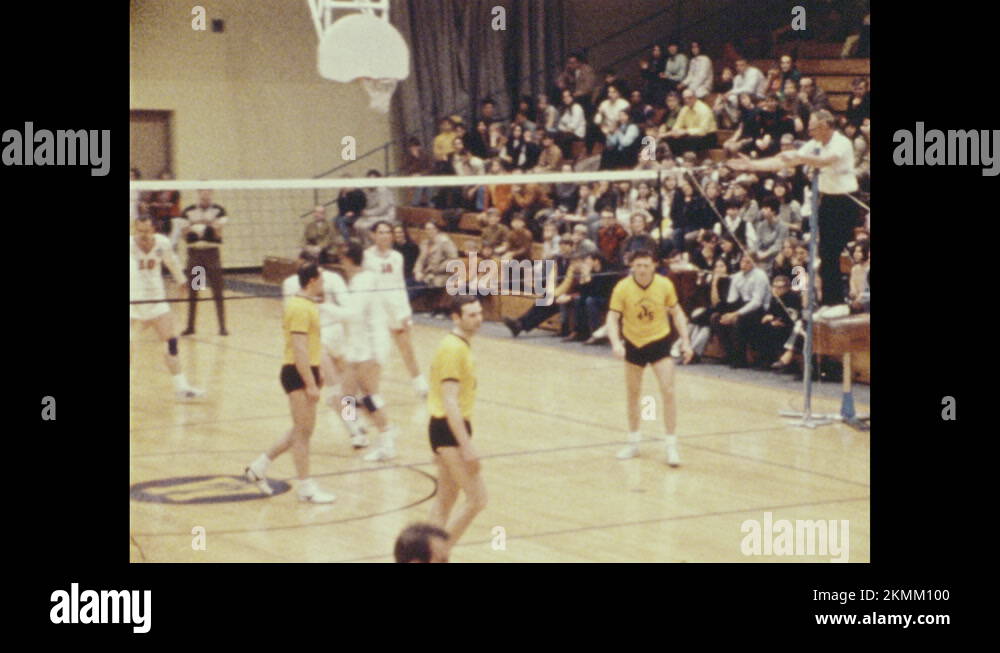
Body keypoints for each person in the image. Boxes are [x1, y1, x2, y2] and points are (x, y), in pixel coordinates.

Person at [728, 109, 859, 306]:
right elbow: (781, 160)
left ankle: (838, 302)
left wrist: (797, 157)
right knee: (825, 252)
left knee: (832, 251)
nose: (809, 133)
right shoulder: (814, 144)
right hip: (827, 200)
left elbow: (823, 161)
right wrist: (752, 165)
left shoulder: (841, 143)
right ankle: (831, 302)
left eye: (812, 129)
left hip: (844, 202)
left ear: (825, 126)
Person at [244, 262, 337, 503]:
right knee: (303, 434)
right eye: (322, 279)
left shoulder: (308, 305)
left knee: (302, 430)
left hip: (308, 370)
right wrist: (310, 382)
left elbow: (312, 346)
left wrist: (319, 372)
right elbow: (299, 349)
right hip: (297, 373)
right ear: (313, 281)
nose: (324, 284)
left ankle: (258, 467)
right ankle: (305, 487)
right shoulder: (298, 307)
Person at [606, 249, 693, 466]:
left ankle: (671, 445)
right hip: (634, 343)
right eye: (638, 265)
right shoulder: (623, 287)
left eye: (646, 265)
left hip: (659, 341)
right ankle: (634, 442)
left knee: (668, 391)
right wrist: (616, 343)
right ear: (632, 267)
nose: (642, 269)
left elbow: (677, 312)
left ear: (653, 265)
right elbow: (613, 317)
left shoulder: (664, 285)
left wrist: (685, 340)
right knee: (634, 394)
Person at [282, 250, 367, 448]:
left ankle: (354, 421)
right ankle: (353, 430)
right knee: (335, 387)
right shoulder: (290, 284)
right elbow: (290, 318)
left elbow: (350, 311)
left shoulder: (332, 279)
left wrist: (327, 308)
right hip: (317, 339)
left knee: (346, 390)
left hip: (337, 334)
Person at [427, 295, 488, 554]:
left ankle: (423, 553)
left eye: (479, 313)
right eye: (471, 315)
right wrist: (467, 447)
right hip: (449, 430)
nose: (478, 319)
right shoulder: (453, 348)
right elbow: (449, 400)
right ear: (456, 317)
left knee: (445, 500)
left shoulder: (459, 345)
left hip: (445, 429)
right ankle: (436, 555)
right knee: (477, 500)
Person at [337, 241, 401, 462]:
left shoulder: (364, 280)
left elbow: (353, 312)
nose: (340, 262)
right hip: (357, 345)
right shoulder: (359, 280)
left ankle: (387, 438)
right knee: (344, 395)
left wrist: (323, 308)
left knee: (370, 395)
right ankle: (356, 431)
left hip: (371, 346)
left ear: (347, 259)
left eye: (341, 257)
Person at [130, 216, 205, 400]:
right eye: (140, 231)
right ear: (134, 229)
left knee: (171, 342)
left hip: (157, 300)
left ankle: (182, 387)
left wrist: (182, 282)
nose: (144, 235)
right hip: (133, 301)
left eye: (147, 230)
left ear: (153, 229)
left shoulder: (162, 243)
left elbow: (172, 263)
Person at [363, 222, 430, 399]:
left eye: (388, 232)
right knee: (372, 354)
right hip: (375, 311)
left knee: (406, 347)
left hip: (394, 308)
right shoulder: (366, 257)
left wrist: (405, 311)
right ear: (373, 235)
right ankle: (366, 394)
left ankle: (420, 384)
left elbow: (400, 285)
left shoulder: (397, 257)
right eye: (381, 232)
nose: (385, 236)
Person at [179, 189, 229, 336]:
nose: (205, 194)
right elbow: (185, 233)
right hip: (196, 256)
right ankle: (191, 326)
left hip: (212, 255)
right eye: (203, 192)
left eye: (208, 192)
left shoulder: (219, 210)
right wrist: (207, 226)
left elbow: (216, 230)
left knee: (217, 291)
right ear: (198, 193)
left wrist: (197, 227)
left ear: (212, 193)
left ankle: (222, 327)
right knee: (194, 291)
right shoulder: (188, 210)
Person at [711, 252, 771, 368]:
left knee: (739, 319)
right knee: (716, 318)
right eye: (742, 261)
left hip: (761, 309)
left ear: (754, 264)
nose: (744, 264)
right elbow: (731, 300)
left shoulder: (760, 276)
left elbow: (757, 302)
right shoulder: (737, 277)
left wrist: (735, 314)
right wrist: (728, 314)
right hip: (743, 304)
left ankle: (740, 358)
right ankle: (730, 354)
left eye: (748, 262)